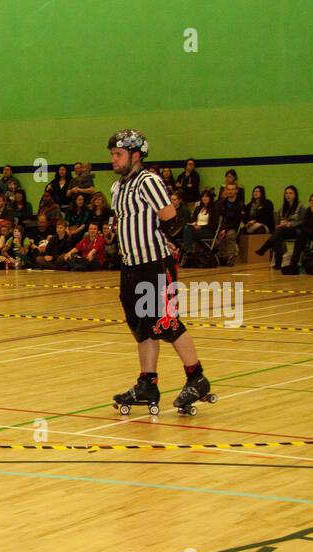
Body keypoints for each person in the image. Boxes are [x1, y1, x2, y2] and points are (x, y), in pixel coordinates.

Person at [106, 128, 213, 417]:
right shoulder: (117, 188)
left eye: (119, 154)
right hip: (130, 265)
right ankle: (147, 384)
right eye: (113, 154)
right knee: (141, 325)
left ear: (136, 155)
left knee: (166, 323)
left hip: (154, 264)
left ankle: (197, 378)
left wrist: (169, 250)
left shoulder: (148, 181)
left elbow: (172, 221)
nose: (114, 160)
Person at [255, 185, 302, 268]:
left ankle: (264, 248)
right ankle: (278, 262)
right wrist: (280, 224)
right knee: (278, 234)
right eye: (286, 193)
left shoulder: (301, 206)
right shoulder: (282, 208)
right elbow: (277, 222)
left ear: (295, 195)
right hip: (283, 230)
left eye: (291, 193)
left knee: (278, 232)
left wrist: (290, 224)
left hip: (296, 230)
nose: (288, 195)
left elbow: (303, 221)